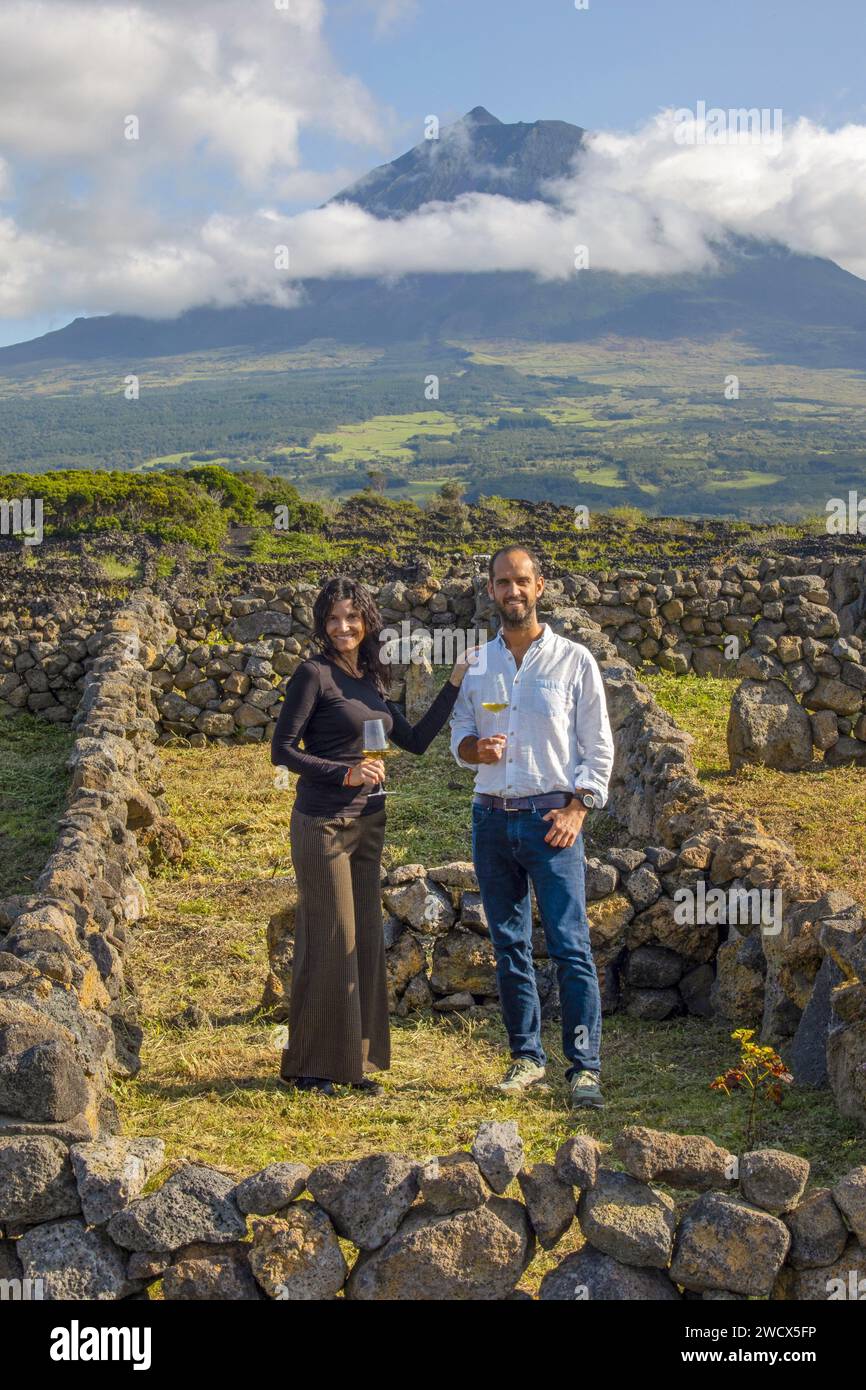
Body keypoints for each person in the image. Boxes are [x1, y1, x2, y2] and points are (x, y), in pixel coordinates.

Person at [271, 575, 471, 1097]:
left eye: (352, 618)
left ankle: (352, 1062)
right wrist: (345, 773)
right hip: (323, 823)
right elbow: (283, 750)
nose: (343, 627)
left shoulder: (372, 682)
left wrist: (454, 684)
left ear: (366, 622)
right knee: (330, 936)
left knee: (361, 940)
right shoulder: (313, 675)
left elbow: (419, 741)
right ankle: (313, 1064)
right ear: (322, 623)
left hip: (368, 823)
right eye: (333, 619)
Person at [449, 545, 615, 1110]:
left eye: (522, 581)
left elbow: (598, 745)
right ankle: (525, 1057)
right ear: (490, 590)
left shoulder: (574, 661)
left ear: (539, 587)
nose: (512, 592)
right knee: (508, 944)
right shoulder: (477, 664)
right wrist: (476, 748)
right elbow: (460, 740)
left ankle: (584, 1067)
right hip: (491, 819)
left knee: (571, 946)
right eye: (502, 583)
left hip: (552, 822)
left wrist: (578, 808)